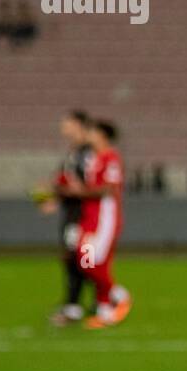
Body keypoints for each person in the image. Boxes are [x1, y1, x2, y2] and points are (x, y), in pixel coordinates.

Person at [62, 120, 132, 330]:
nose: (89, 135)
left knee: (89, 261)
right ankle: (104, 310)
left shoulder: (111, 158)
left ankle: (117, 294)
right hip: (90, 216)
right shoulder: (94, 157)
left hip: (104, 219)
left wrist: (80, 191)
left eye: (92, 132)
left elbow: (109, 189)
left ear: (102, 135)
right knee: (90, 260)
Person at [46, 110, 94, 326]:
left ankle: (75, 306)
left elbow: (87, 183)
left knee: (78, 258)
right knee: (76, 258)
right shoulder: (74, 152)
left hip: (82, 213)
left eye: (67, 123)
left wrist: (67, 190)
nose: (63, 126)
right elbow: (65, 180)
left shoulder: (87, 153)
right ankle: (91, 302)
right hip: (72, 211)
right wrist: (54, 196)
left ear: (79, 124)